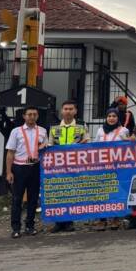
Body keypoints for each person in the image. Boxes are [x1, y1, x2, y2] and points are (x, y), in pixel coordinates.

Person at [48, 100, 90, 233]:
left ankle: (69, 222)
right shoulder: (54, 127)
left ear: (75, 111)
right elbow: (49, 145)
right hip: (58, 166)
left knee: (71, 193)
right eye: (66, 108)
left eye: (71, 109)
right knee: (58, 193)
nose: (68, 111)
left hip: (75, 166)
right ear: (62, 111)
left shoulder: (82, 125)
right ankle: (58, 222)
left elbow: (88, 143)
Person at [5, 106, 47, 239]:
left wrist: (42, 146)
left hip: (35, 167)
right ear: (24, 116)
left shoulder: (42, 131)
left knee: (33, 198)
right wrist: (8, 172)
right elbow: (10, 152)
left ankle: (30, 226)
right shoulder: (16, 131)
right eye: (29, 114)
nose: (32, 117)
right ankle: (16, 228)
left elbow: (45, 148)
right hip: (19, 167)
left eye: (34, 114)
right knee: (17, 199)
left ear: (38, 116)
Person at [94, 108, 131, 230]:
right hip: (103, 167)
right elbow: (94, 147)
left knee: (116, 193)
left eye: (114, 116)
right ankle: (102, 220)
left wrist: (130, 140)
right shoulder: (100, 130)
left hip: (118, 167)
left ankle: (116, 219)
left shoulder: (123, 130)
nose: (111, 118)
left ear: (117, 118)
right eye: (109, 116)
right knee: (102, 194)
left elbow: (129, 146)